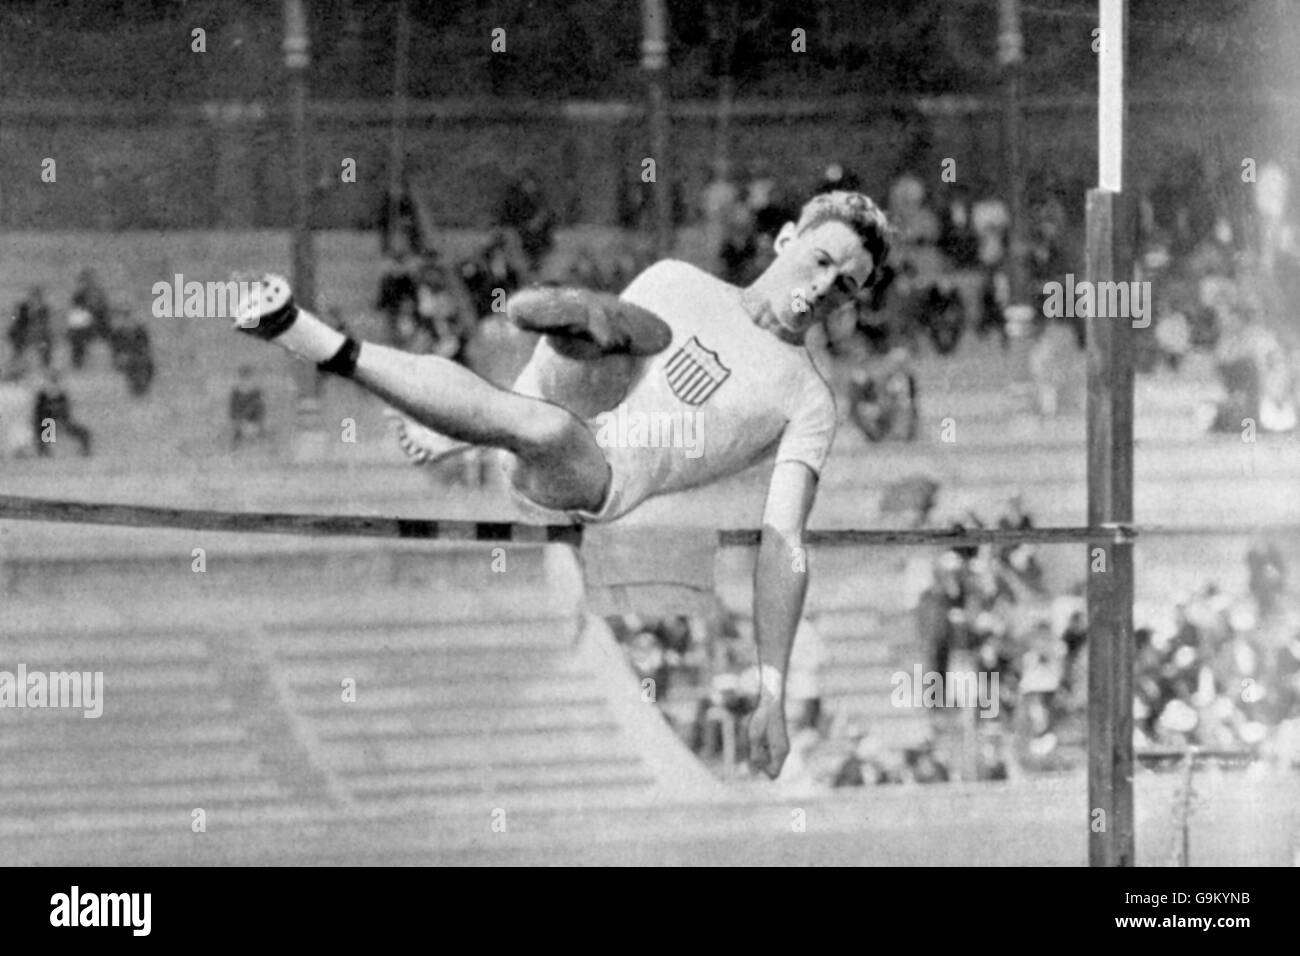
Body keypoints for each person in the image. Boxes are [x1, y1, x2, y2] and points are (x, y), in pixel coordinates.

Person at [235, 190, 890, 780]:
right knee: (578, 383)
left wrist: (772, 694)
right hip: (556, 396)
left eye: (847, 285)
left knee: (553, 424)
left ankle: (529, 364)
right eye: (823, 259)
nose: (827, 285)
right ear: (785, 241)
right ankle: (330, 338)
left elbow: (784, 544)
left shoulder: (807, 400)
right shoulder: (678, 278)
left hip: (595, 474)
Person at [33, 368, 92, 457]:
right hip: (48, 422)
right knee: (48, 425)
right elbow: (39, 414)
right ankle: (46, 452)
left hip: (62, 421)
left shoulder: (62, 395)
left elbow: (66, 412)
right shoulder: (42, 395)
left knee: (83, 432)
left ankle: (85, 451)